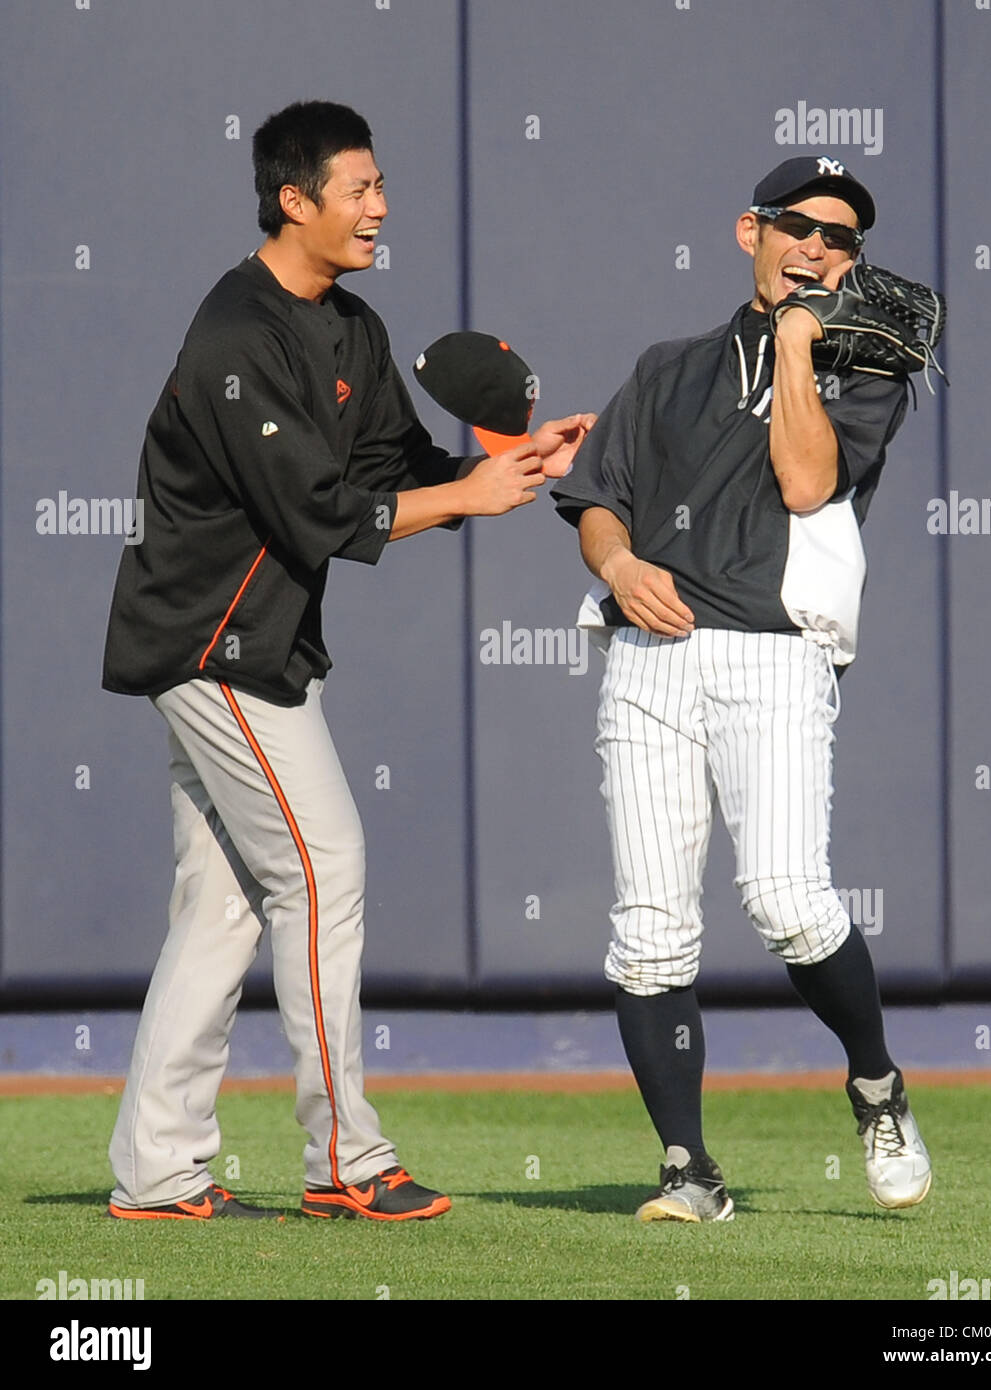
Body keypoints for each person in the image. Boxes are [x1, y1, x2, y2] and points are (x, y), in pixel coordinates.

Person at [102, 99, 592, 1221]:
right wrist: (457, 493)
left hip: (262, 644)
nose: (380, 206)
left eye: (379, 186)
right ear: (295, 198)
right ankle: (347, 1162)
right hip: (209, 643)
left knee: (223, 905)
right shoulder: (235, 334)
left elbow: (397, 464)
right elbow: (319, 513)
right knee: (326, 869)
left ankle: (156, 1172)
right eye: (360, 188)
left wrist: (510, 462)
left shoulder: (352, 327)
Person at [551, 156, 932, 1223]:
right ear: (748, 231)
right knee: (651, 932)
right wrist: (619, 567)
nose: (816, 247)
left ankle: (875, 1084)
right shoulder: (668, 366)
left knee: (788, 902)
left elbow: (807, 480)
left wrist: (804, 343)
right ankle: (689, 1170)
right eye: (796, 225)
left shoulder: (868, 371)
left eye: (840, 238)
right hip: (648, 658)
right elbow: (596, 500)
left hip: (775, 652)